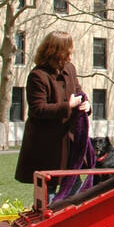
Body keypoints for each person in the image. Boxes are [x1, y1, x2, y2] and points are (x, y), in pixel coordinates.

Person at [16, 31, 92, 199]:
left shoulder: (70, 69)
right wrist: (67, 106)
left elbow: (79, 92)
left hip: (69, 143)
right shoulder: (38, 76)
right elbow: (37, 109)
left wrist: (86, 105)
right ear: (58, 50)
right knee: (48, 193)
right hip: (47, 146)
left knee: (75, 189)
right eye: (69, 48)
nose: (72, 52)